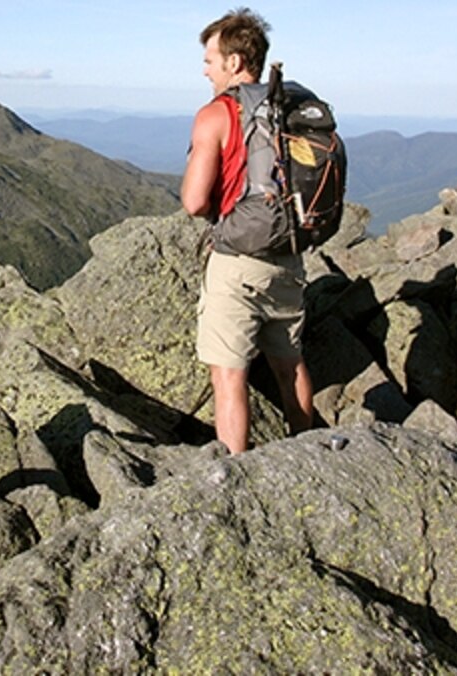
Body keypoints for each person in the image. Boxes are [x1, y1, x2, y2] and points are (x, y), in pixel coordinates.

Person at [181, 8, 314, 454]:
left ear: (235, 62)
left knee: (229, 374)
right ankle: (308, 450)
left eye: (210, 60)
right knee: (289, 365)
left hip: (238, 262)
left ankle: (238, 476)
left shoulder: (215, 114)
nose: (205, 69)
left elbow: (195, 201)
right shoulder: (291, 107)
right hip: (289, 256)